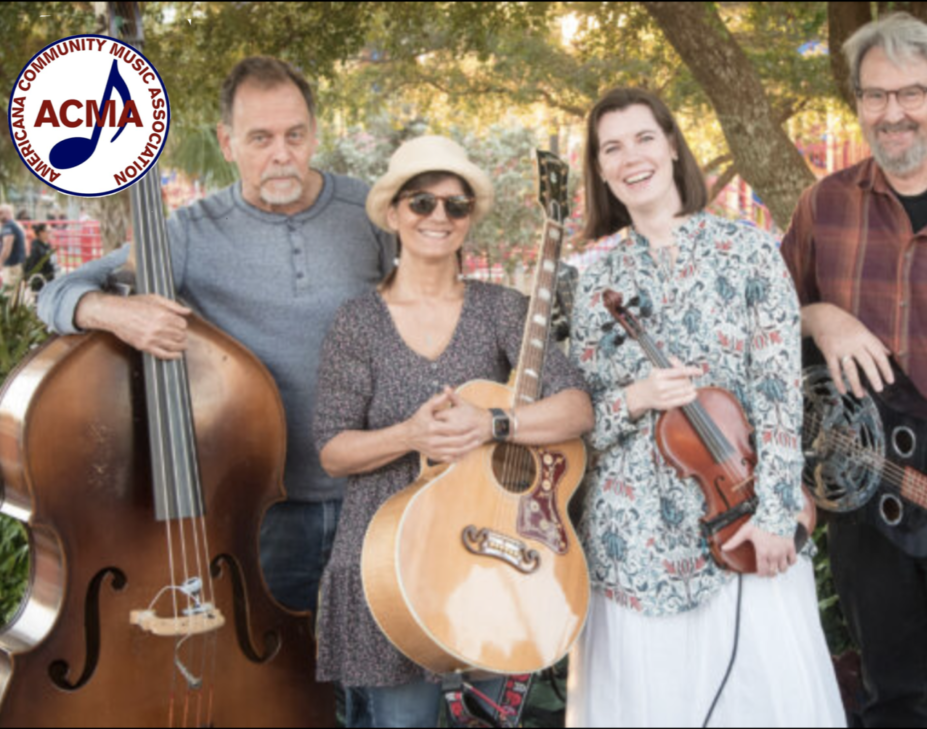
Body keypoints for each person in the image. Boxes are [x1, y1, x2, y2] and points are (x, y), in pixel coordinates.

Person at [37, 56, 394, 615]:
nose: (282, 154)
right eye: (260, 138)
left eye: (294, 135)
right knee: (281, 684)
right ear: (227, 143)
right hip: (264, 509)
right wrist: (109, 311)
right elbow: (57, 292)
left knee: (382, 683)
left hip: (375, 492)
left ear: (314, 134)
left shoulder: (371, 211)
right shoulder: (191, 233)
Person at [567, 87, 845, 728]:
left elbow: (779, 392)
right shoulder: (594, 278)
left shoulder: (746, 248)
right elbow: (582, 418)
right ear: (602, 170)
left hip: (742, 518)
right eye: (612, 148)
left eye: (643, 138)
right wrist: (636, 399)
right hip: (633, 534)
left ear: (670, 144)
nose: (631, 157)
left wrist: (776, 513)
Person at [780, 13, 927, 727]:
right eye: (875, 96)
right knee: (893, 702)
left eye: (911, 93)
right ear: (857, 103)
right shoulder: (825, 206)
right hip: (870, 500)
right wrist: (818, 316)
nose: (893, 114)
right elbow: (764, 324)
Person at [313, 135, 594, 728]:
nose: (438, 216)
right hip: (390, 565)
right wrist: (410, 434)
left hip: (487, 558)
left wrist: (495, 423)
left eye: (455, 205)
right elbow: (334, 451)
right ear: (393, 213)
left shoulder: (500, 309)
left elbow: (576, 408)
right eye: (421, 202)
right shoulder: (358, 322)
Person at [24, 223, 57, 293]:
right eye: (48, 232)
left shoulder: (47, 245)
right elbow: (35, 265)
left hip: (48, 278)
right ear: (41, 233)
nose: (50, 234)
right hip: (40, 280)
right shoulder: (36, 247)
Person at [1, 204, 27, 291]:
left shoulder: (8, 227)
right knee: (17, 291)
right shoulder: (17, 226)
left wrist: (1, 262)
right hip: (18, 263)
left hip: (11, 265)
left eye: (1, 213)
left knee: (9, 292)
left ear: (8, 213)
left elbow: (6, 247)